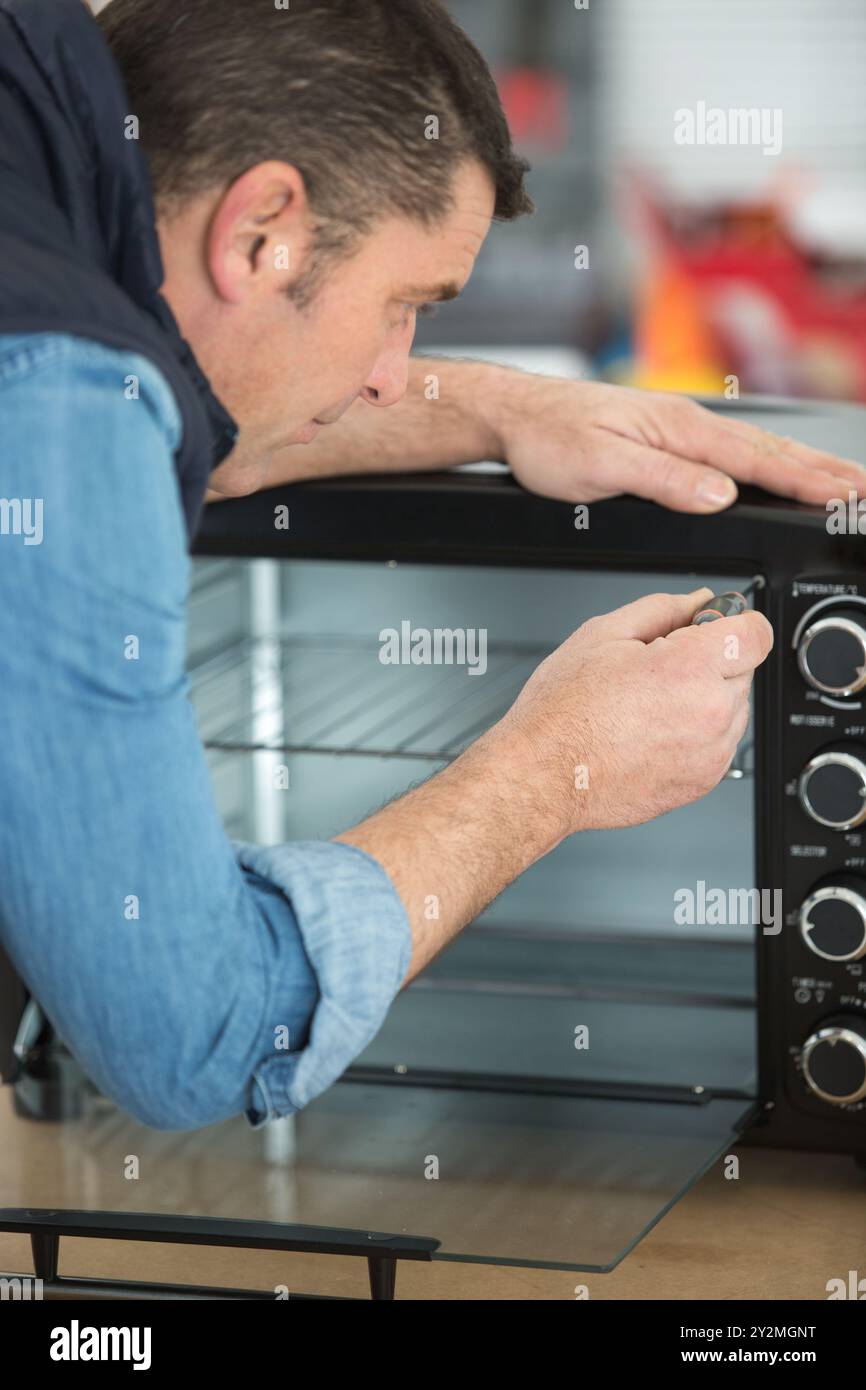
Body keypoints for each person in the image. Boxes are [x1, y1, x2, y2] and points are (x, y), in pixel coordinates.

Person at [0, 0, 858, 1131]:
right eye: (405, 307)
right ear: (263, 230)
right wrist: (559, 769)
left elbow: (188, 420)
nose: (397, 377)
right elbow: (196, 1032)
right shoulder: (54, 396)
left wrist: (496, 408)